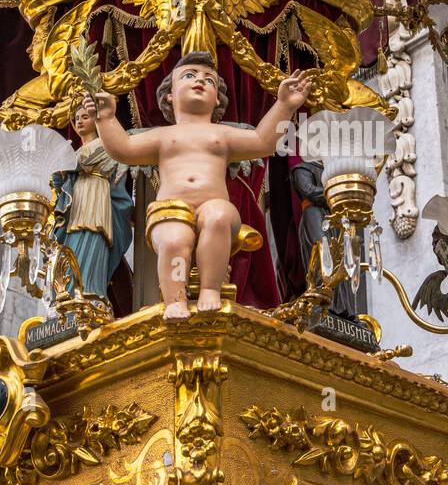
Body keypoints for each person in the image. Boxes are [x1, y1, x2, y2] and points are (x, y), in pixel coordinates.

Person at [85, 52, 310, 320]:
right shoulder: (161, 136)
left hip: (214, 206)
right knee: (174, 239)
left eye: (209, 80)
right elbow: (123, 149)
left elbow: (264, 141)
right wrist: (106, 118)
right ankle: (175, 299)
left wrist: (285, 105)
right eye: (189, 76)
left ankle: (210, 290)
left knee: (217, 216)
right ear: (169, 95)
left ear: (217, 99)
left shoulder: (223, 135)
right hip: (170, 208)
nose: (199, 81)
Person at [51, 98, 134, 301]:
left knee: (91, 236)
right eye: (76, 118)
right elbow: (60, 178)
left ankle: (89, 294)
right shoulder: (75, 151)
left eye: (85, 117)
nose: (79, 121)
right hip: (77, 201)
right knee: (70, 243)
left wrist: (64, 164)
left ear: (96, 119)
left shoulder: (108, 144)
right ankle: (69, 295)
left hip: (95, 198)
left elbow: (85, 162)